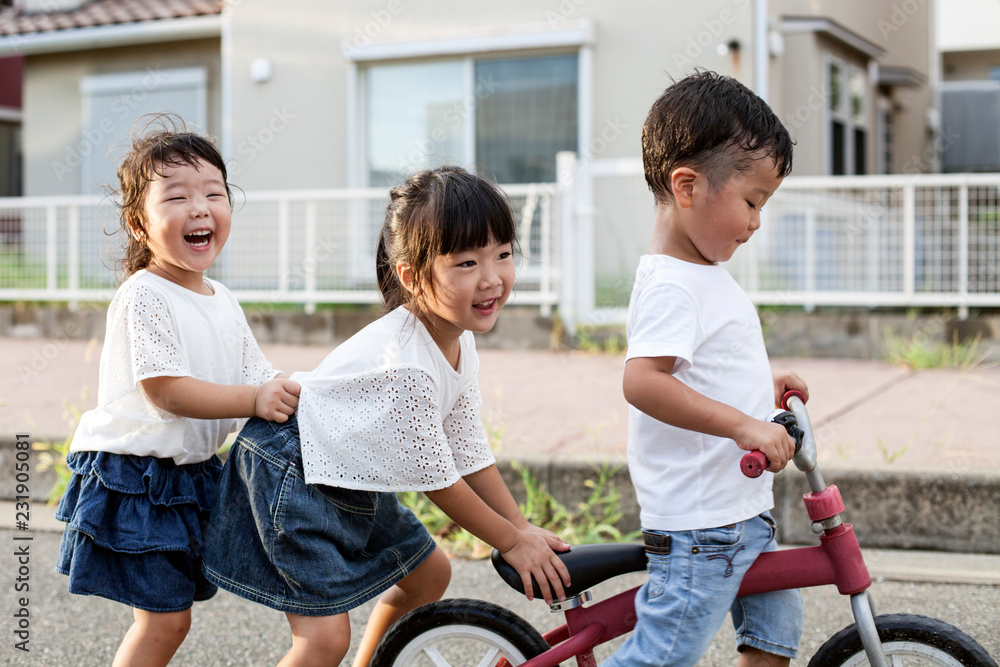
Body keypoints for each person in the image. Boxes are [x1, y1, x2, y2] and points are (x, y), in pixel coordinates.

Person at [203, 165, 572, 667]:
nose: (492, 279)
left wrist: (521, 529)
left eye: (503, 255)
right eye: (465, 263)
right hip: (292, 470)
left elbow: (468, 451)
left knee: (428, 575)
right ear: (413, 277)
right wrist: (510, 542)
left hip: (344, 474)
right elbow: (439, 479)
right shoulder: (406, 366)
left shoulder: (456, 341)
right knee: (323, 638)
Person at [54, 116, 301, 667]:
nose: (199, 207)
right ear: (138, 226)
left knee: (172, 616)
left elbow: (259, 378)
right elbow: (166, 390)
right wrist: (255, 400)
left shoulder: (223, 298)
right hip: (135, 475)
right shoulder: (145, 294)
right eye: (176, 197)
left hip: (190, 475)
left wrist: (294, 390)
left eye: (214, 193)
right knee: (165, 618)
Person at [602, 71, 808, 667]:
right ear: (687, 187)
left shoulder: (702, 274)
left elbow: (700, 370)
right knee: (660, 658)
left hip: (741, 515)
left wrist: (758, 390)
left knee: (773, 638)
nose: (756, 222)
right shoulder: (672, 284)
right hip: (703, 529)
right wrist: (745, 426)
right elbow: (644, 381)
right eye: (752, 201)